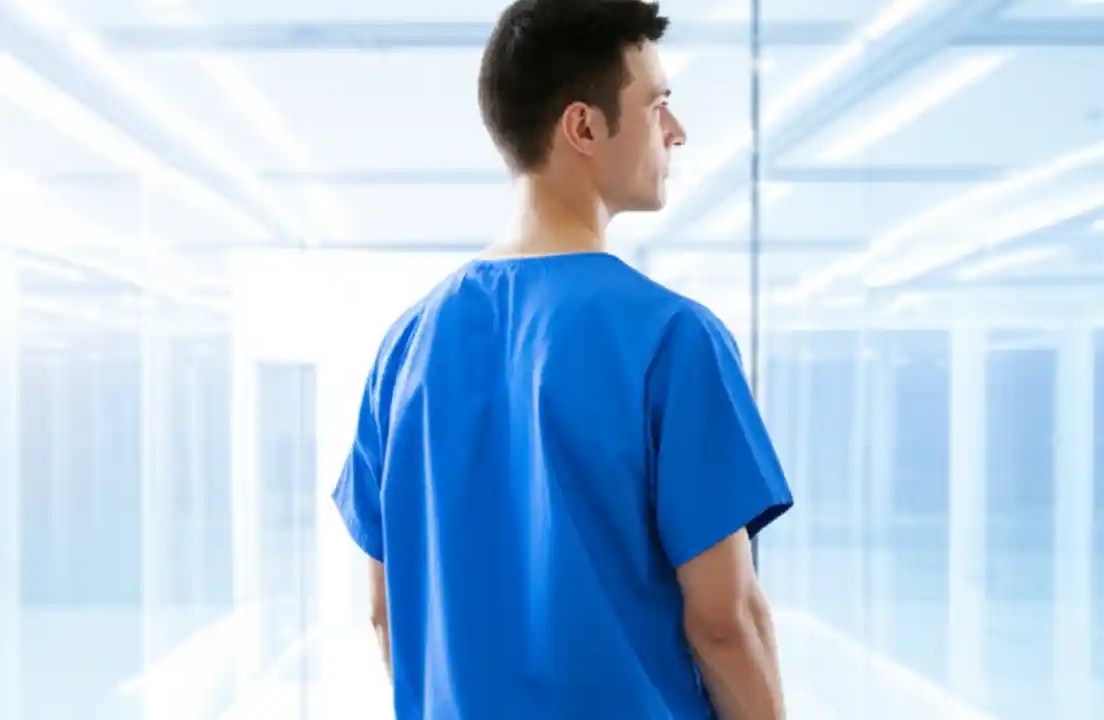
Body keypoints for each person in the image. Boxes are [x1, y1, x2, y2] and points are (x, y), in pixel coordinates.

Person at [331, 1, 794, 717]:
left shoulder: (405, 347)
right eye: (657, 104)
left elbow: (385, 610)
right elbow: (724, 621)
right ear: (583, 126)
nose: (677, 131)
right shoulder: (673, 339)